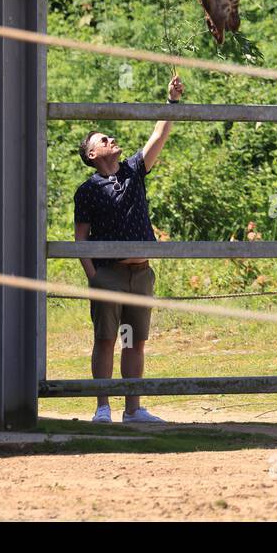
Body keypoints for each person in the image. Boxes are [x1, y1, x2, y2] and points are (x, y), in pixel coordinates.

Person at [74, 73, 185, 424]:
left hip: (141, 273)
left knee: (134, 342)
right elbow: (80, 239)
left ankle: (133, 409)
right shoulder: (87, 190)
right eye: (104, 139)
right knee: (105, 339)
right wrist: (95, 278)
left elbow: (159, 135)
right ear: (92, 154)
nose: (112, 138)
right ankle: (102, 408)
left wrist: (172, 102)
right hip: (110, 274)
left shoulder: (134, 170)